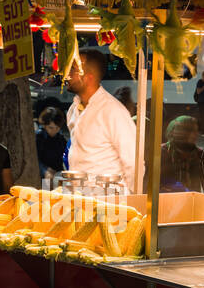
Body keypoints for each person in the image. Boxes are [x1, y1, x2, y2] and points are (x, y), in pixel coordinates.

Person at [66, 48, 138, 186]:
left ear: (89, 77)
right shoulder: (73, 109)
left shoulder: (113, 111)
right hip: (81, 198)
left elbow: (133, 162)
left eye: (73, 69)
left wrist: (126, 196)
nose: (67, 74)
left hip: (109, 200)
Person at [159, 115, 204, 193]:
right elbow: (155, 183)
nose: (196, 134)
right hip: (167, 200)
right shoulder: (162, 151)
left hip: (191, 201)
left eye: (196, 131)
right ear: (182, 133)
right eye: (193, 131)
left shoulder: (200, 153)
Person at [35, 106, 66, 181]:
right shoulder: (38, 138)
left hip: (57, 175)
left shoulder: (60, 139)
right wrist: (45, 171)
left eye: (57, 128)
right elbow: (35, 159)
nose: (54, 131)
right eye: (51, 127)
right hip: (43, 176)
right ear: (44, 125)